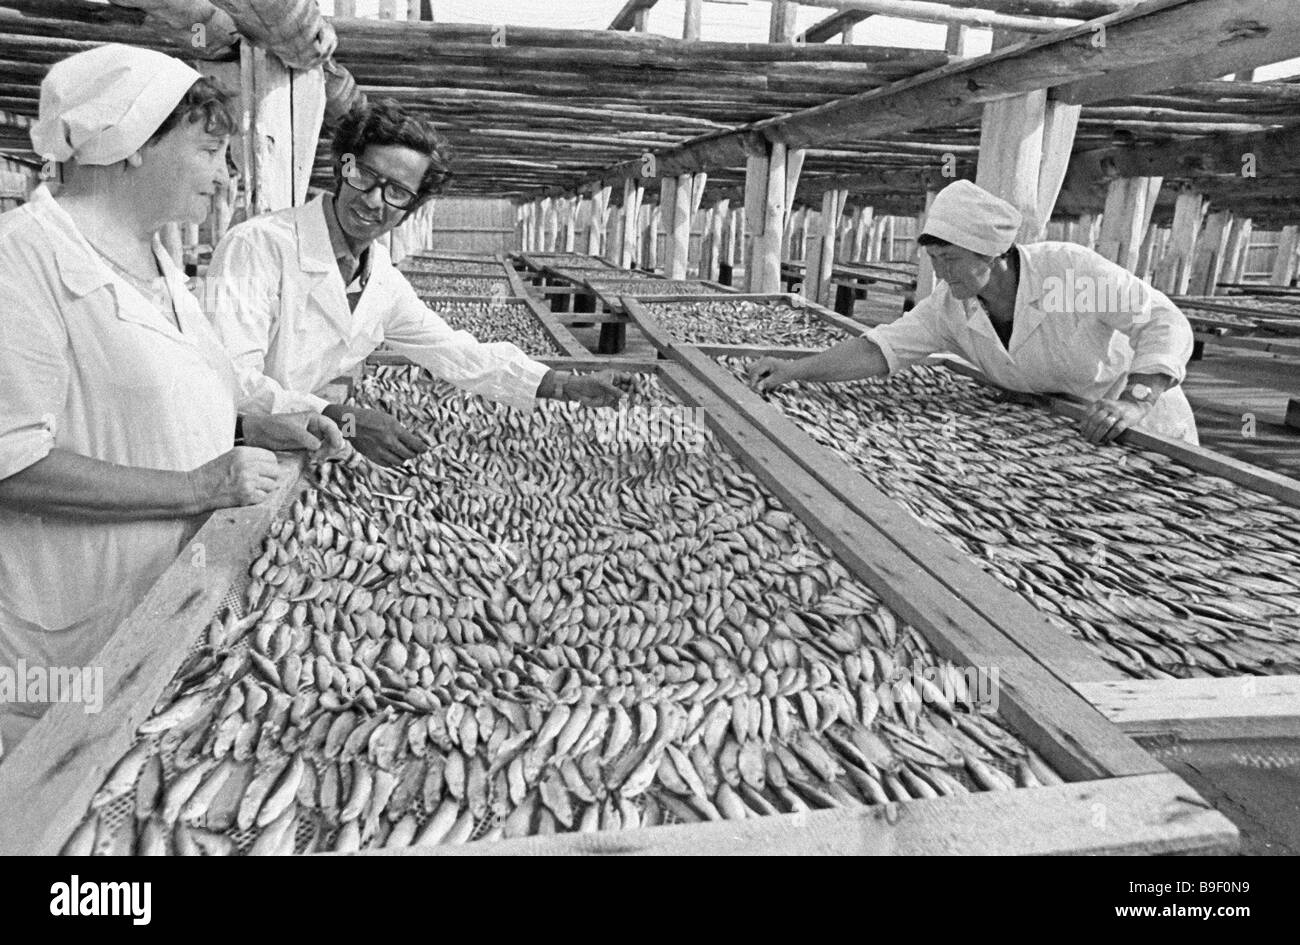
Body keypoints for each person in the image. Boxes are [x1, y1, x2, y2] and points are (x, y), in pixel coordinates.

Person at [0, 45, 342, 753]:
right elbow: (13, 462)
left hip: (166, 604)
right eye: (212, 151)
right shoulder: (20, 258)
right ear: (131, 141)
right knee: (59, 790)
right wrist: (198, 485)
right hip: (63, 634)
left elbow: (156, 393)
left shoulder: (156, 259)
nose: (225, 179)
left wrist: (261, 421)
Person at [206, 99, 632, 467]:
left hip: (295, 441)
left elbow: (453, 351)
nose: (374, 200)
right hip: (227, 445)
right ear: (343, 166)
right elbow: (230, 381)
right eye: (365, 176)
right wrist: (342, 416)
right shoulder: (258, 245)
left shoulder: (382, 278)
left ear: (411, 207)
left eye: (396, 192)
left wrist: (557, 384)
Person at [750, 179, 1199, 446]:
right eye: (935, 263)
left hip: (1144, 426)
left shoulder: (1068, 275)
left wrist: (1134, 403)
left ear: (992, 253)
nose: (942, 276)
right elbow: (880, 350)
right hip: (1068, 429)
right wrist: (796, 371)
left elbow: (1163, 321)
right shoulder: (952, 306)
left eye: (950, 260)